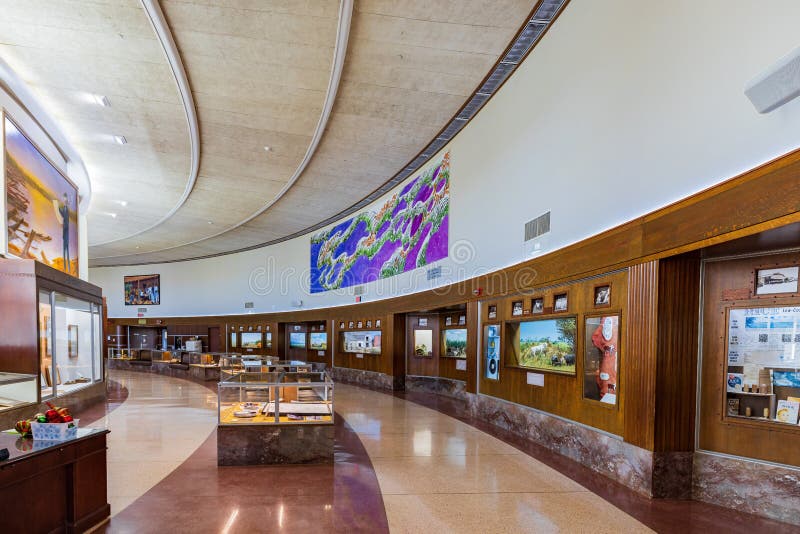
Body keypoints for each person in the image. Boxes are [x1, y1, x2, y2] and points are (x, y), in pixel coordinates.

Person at [52, 192, 71, 273]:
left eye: (65, 199)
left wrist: (58, 209)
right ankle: (65, 267)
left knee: (66, 250)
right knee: (64, 249)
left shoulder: (66, 209)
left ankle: (67, 268)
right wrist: (58, 208)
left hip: (66, 231)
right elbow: (63, 215)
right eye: (64, 199)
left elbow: (65, 218)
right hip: (65, 231)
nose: (65, 200)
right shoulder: (64, 208)